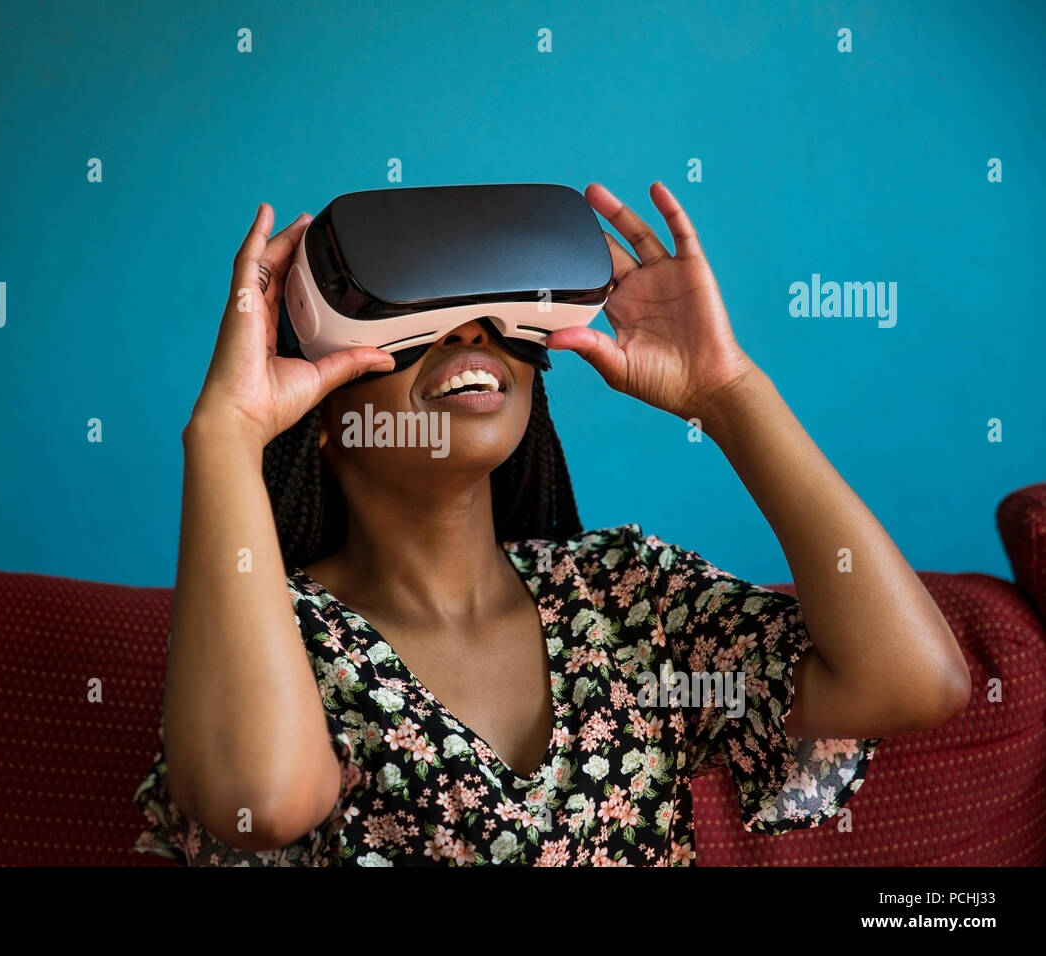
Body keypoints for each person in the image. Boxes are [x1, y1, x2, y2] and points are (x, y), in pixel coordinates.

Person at [132, 181, 971, 866]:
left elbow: (916, 682)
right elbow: (262, 802)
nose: (470, 330)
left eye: (498, 316)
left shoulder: (629, 598)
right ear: (315, 411)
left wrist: (729, 393)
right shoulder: (269, 636)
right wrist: (227, 433)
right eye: (414, 320)